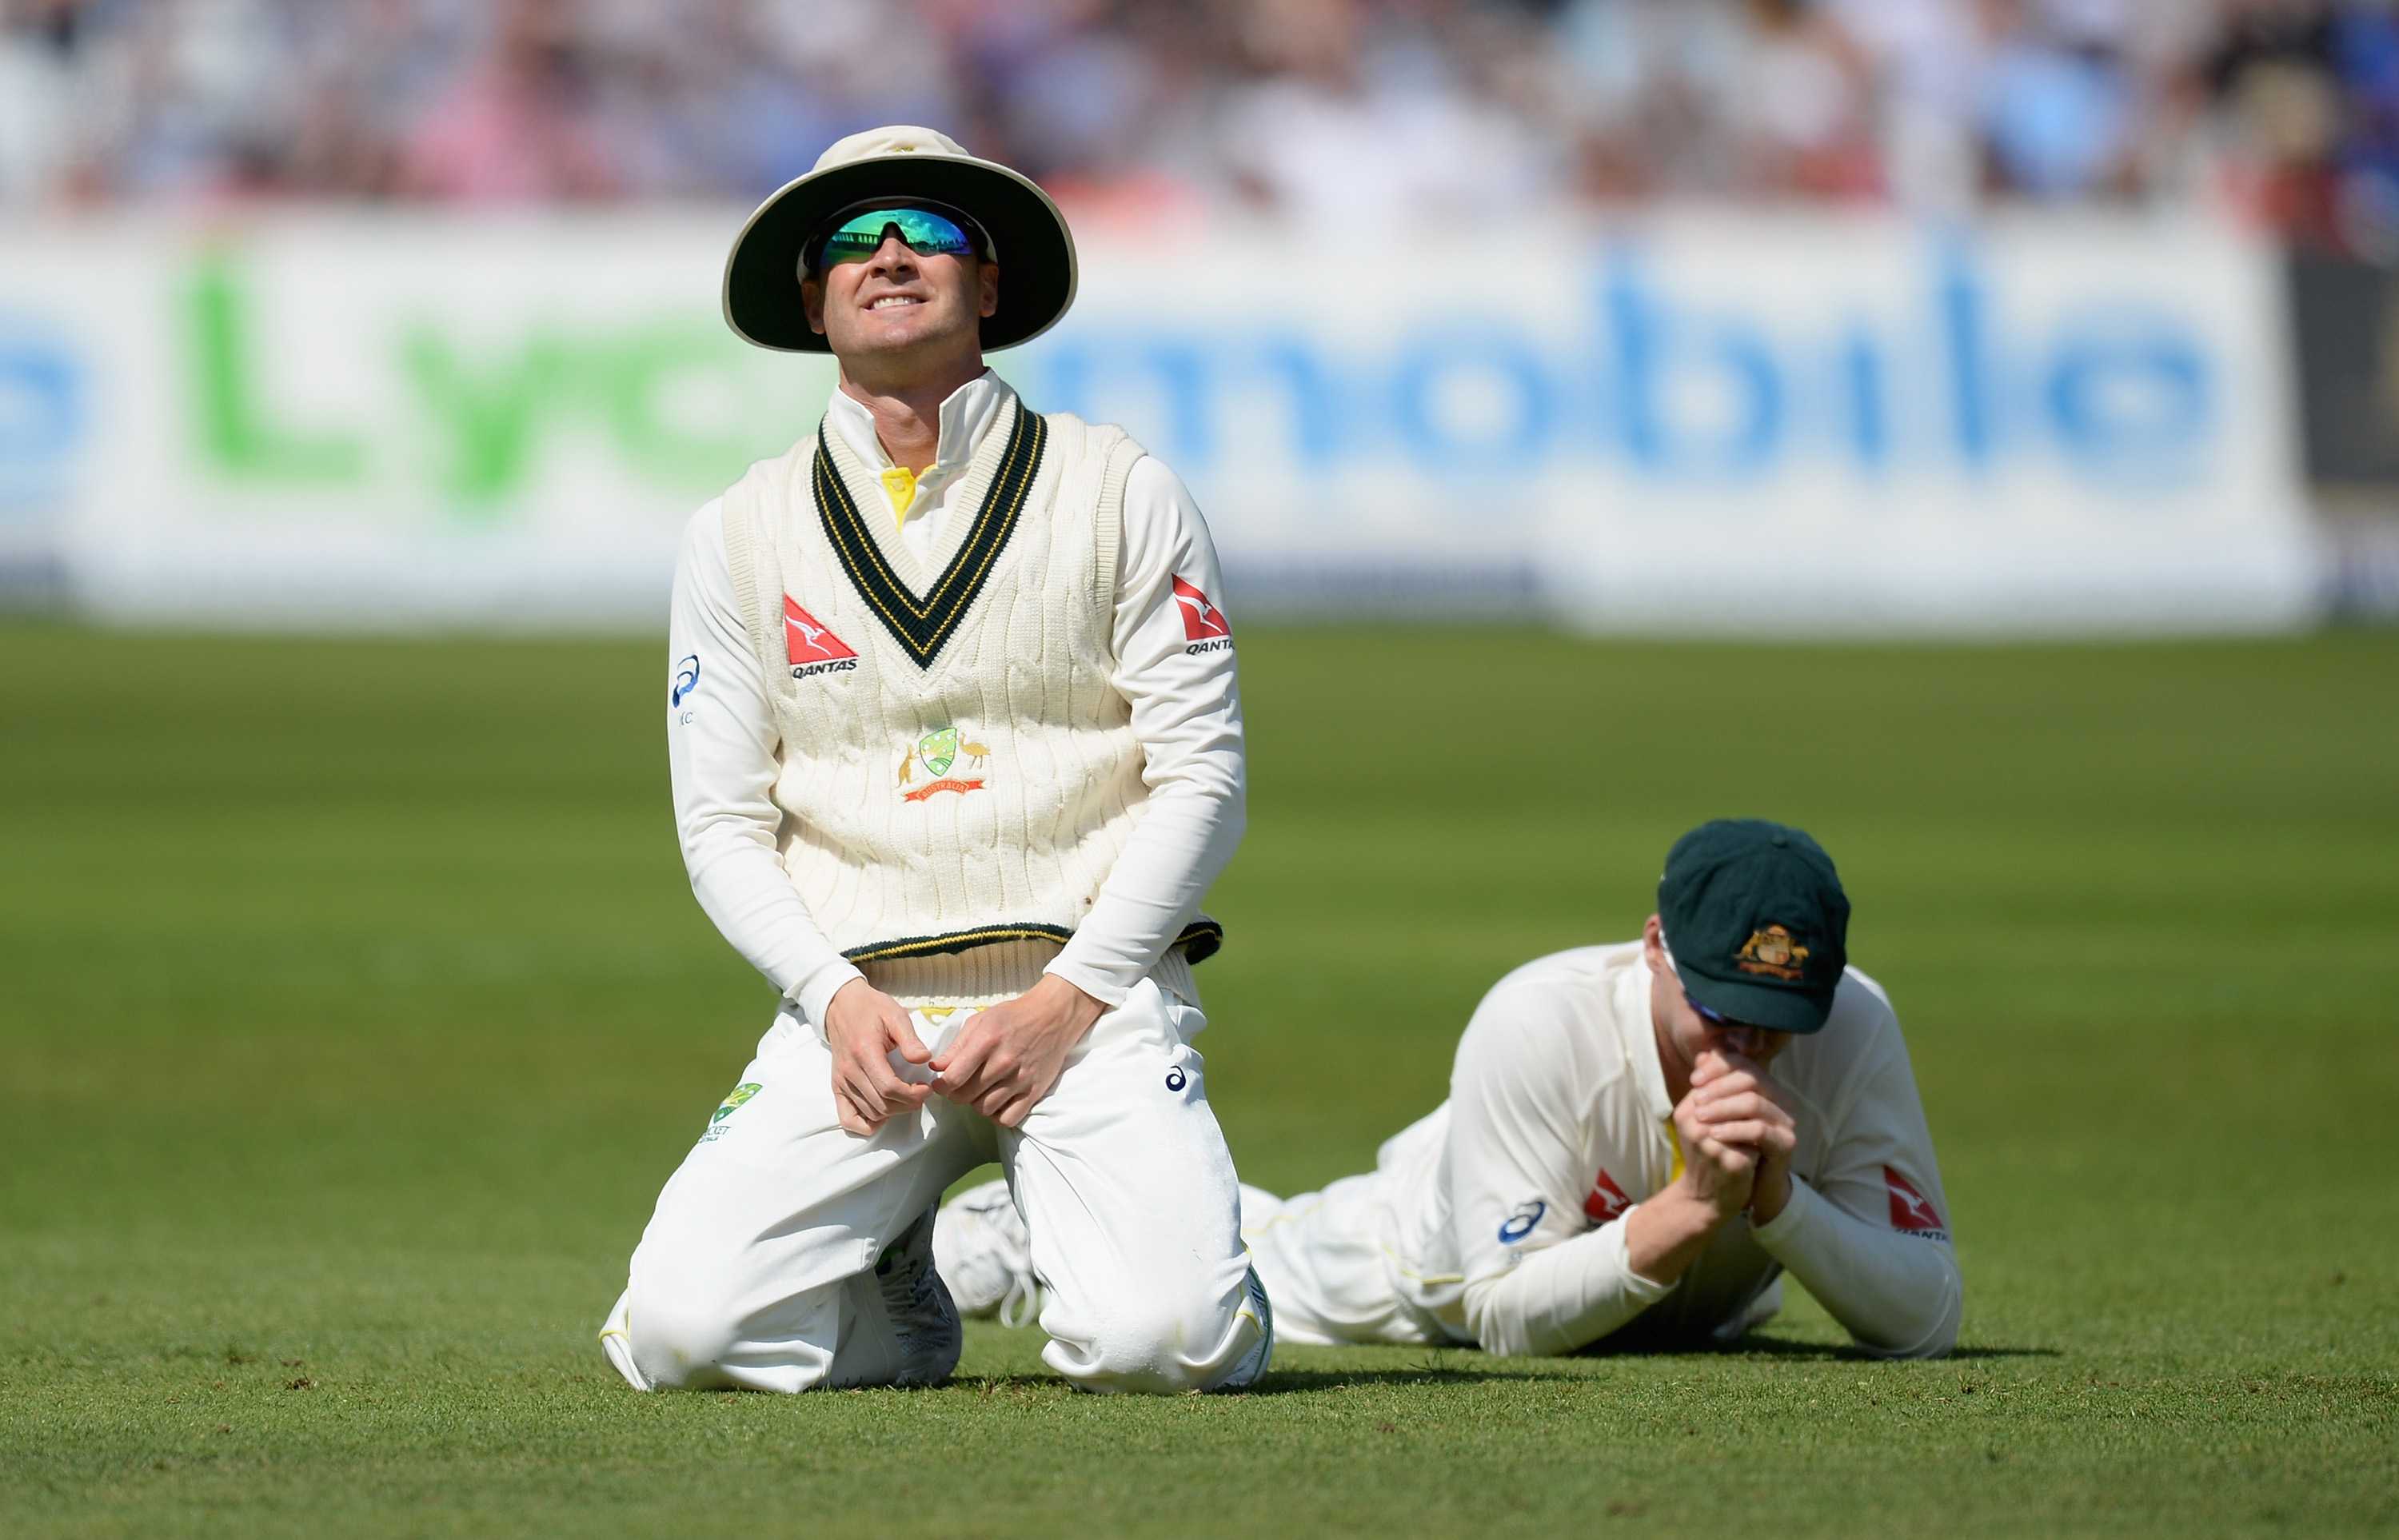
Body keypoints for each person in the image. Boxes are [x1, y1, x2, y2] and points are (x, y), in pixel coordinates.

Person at [600, 126, 1269, 1395]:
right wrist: (831, 995)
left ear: (992, 283)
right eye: (852, 238)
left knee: (1164, 1344)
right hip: (863, 1015)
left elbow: (1205, 779)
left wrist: (1071, 995)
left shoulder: (1119, 487)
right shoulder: (738, 531)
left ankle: (1178, 1259)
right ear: (813, 297)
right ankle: (906, 1296)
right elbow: (721, 825)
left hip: (1088, 997)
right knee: (682, 1339)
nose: (890, 252)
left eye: (930, 232)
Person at [939, 819, 1960, 1359]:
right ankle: (1028, 1234)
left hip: (1685, 1315)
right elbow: (1502, 1315)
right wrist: (1696, 1208)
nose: (1748, 1044)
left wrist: (1779, 1205)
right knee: (1256, 1269)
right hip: (1410, 1272)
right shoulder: (1540, 1019)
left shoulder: (1856, 1025)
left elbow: (1926, 1313)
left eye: (1781, 1021)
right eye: (1722, 1006)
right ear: (1655, 948)